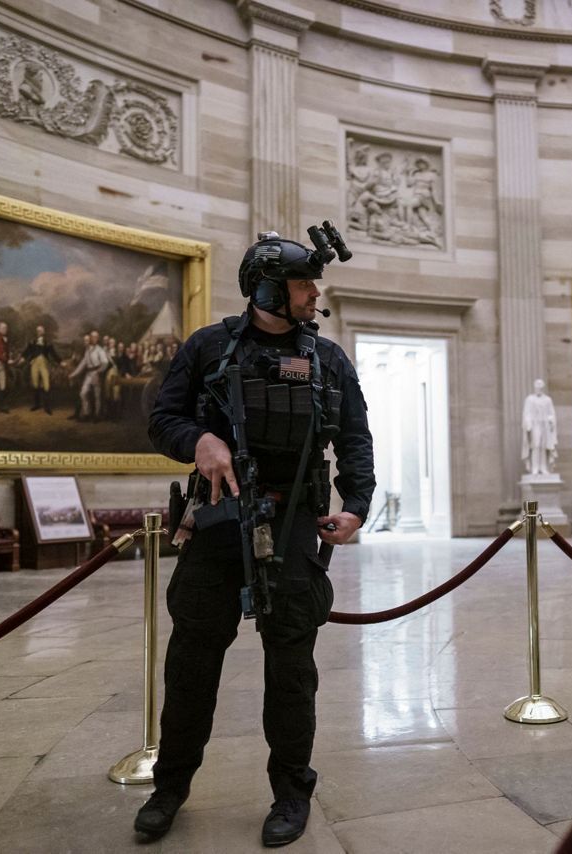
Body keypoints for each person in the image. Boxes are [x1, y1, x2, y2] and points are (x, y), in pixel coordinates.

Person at [135, 228, 374, 847]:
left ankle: (291, 793)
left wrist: (358, 505)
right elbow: (164, 419)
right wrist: (200, 441)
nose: (313, 294)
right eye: (303, 283)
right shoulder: (209, 347)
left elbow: (353, 438)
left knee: (292, 669)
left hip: (294, 522)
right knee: (191, 662)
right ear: (267, 287)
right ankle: (171, 787)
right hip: (217, 519)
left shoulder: (328, 359)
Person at [522, 378, 558, 475]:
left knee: (543, 446)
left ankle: (543, 467)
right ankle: (535, 467)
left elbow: (552, 413)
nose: (539, 389)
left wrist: (551, 419)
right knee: (536, 445)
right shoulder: (530, 399)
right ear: (535, 387)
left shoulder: (547, 400)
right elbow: (527, 413)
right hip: (535, 424)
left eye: (540, 387)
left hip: (544, 424)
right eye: (537, 387)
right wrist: (528, 423)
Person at [21, 325, 60, 414]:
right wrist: (20, 360)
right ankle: (37, 404)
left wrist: (60, 362)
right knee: (35, 384)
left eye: (41, 330)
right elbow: (26, 352)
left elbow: (53, 354)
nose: (39, 332)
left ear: (44, 332)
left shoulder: (48, 343)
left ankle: (47, 407)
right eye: (38, 330)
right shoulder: (32, 342)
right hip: (34, 364)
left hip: (44, 364)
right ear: (36, 332)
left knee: (46, 384)